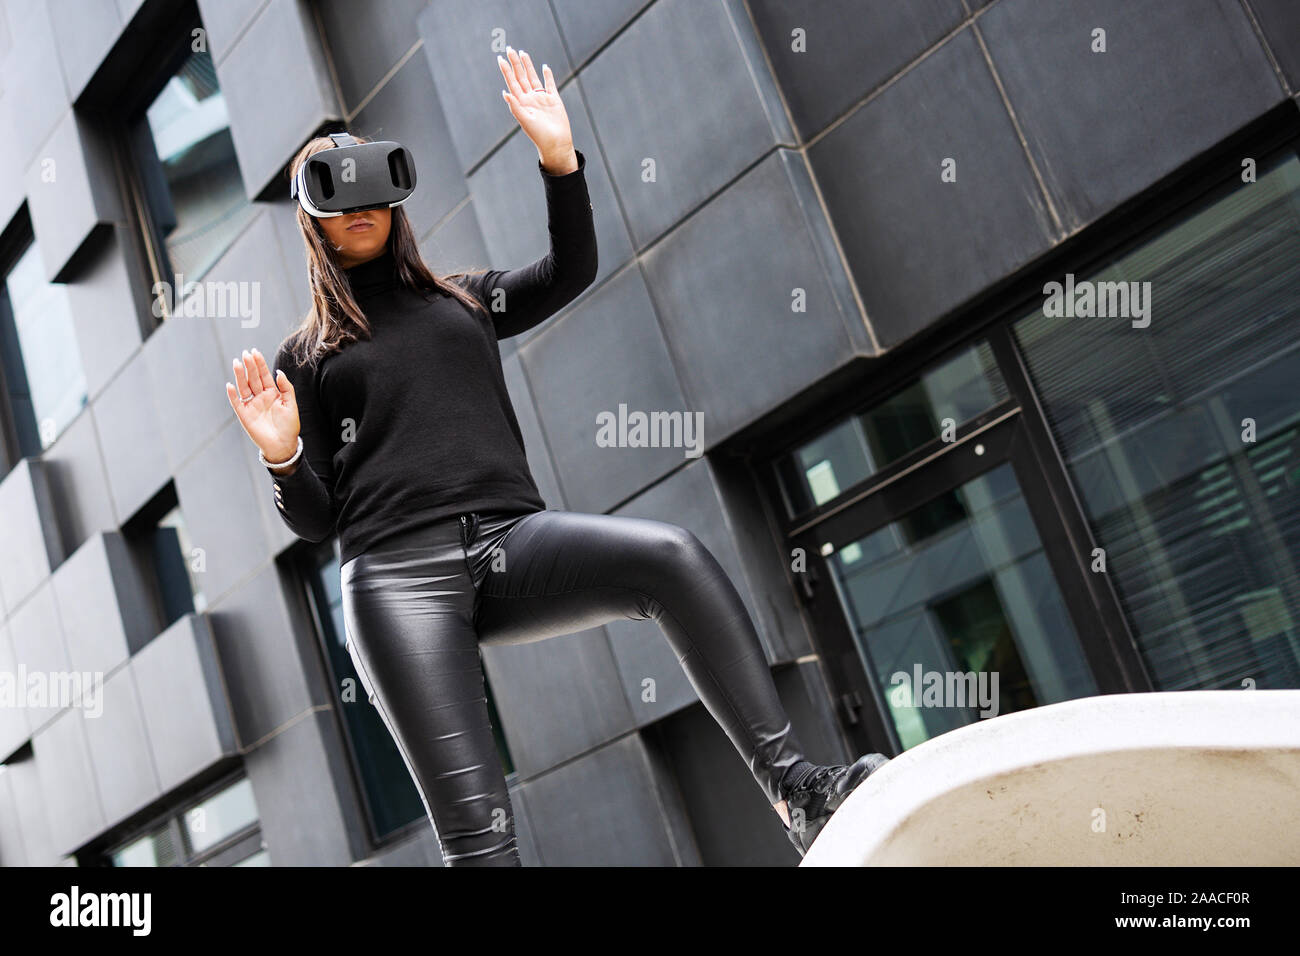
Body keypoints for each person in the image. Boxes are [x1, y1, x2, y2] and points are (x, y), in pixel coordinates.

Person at [225, 45, 888, 866]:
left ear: (395, 200)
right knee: (480, 838)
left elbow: (569, 270)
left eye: (372, 189)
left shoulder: (462, 300)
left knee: (671, 558)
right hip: (398, 580)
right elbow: (320, 520)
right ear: (311, 219)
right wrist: (284, 456)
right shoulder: (307, 355)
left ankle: (796, 791)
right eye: (335, 192)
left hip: (510, 544)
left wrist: (557, 158)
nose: (360, 206)